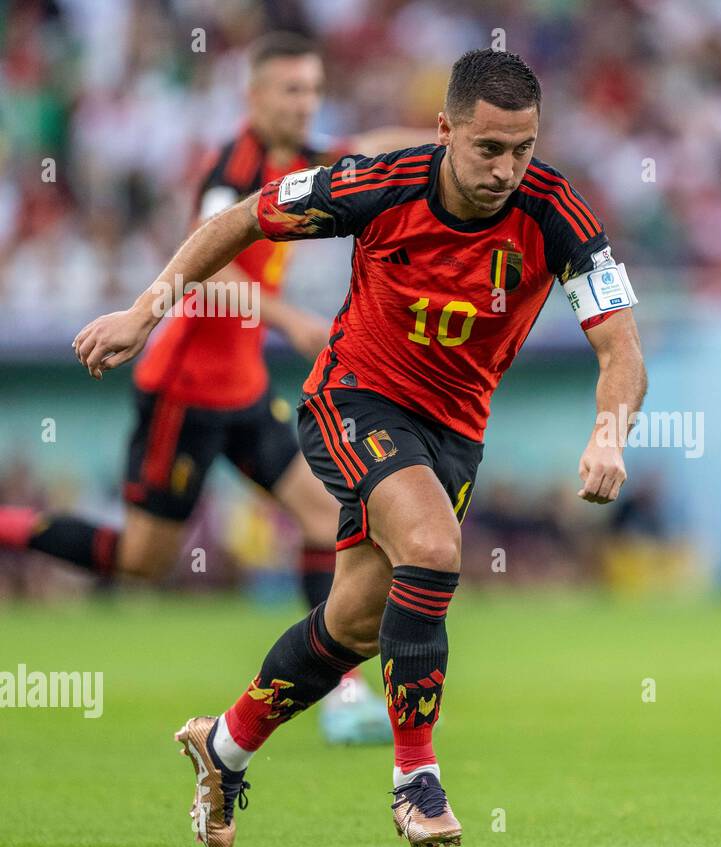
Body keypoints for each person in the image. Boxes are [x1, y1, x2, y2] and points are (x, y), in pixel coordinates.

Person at [72, 48, 648, 847]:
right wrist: (144, 312)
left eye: (523, 149)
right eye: (488, 149)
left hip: (454, 435)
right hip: (355, 400)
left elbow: (621, 348)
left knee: (353, 620)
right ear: (446, 130)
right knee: (433, 546)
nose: (507, 170)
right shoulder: (379, 182)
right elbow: (237, 219)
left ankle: (224, 744)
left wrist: (608, 432)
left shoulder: (556, 214)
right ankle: (416, 780)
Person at [0, 32, 436, 745]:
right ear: (254, 97)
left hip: (242, 389)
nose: (305, 103)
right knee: (143, 562)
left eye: (312, 89)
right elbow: (213, 260)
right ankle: (8, 525)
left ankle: (344, 694)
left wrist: (449, 144)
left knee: (329, 521)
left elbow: (374, 144)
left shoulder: (304, 153)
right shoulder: (231, 169)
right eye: (291, 91)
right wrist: (289, 315)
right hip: (183, 391)